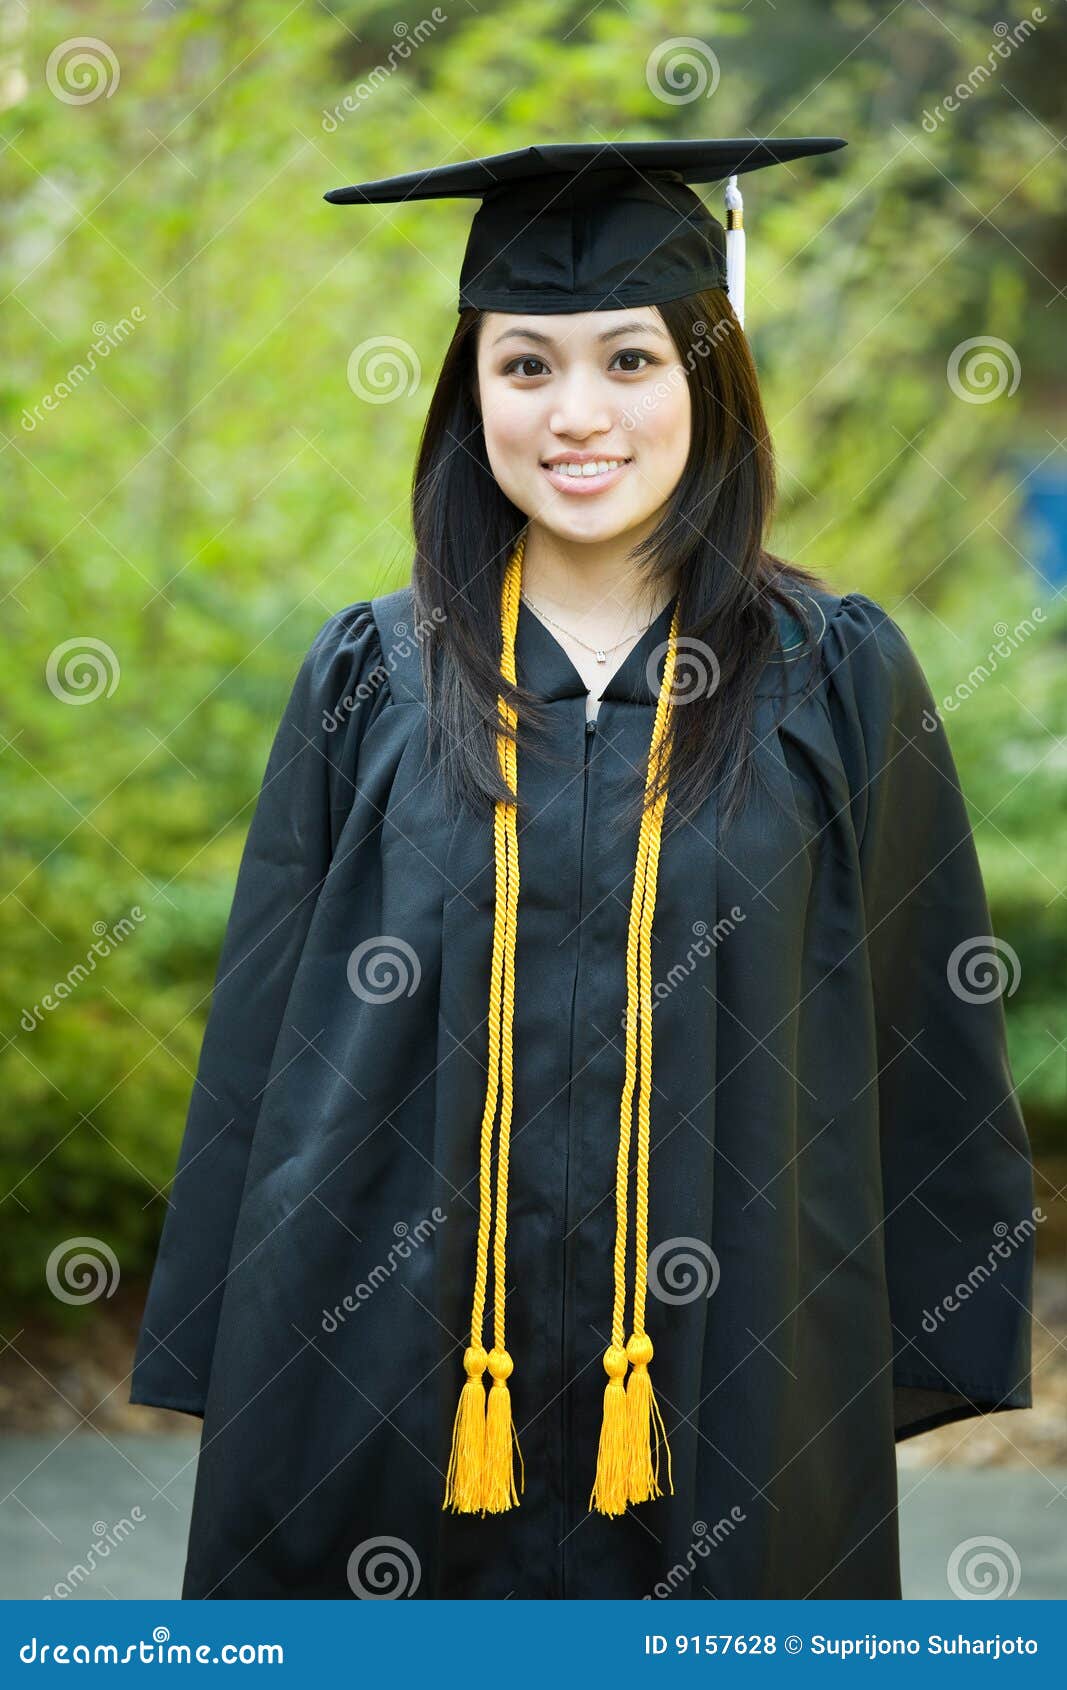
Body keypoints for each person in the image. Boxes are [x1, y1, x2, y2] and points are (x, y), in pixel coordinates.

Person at [129, 140, 1035, 1600]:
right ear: (468, 393)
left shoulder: (833, 675)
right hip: (382, 1389)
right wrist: (237, 1333)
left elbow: (920, 1031)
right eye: (526, 366)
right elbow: (260, 1049)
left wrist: (887, 1337)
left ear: (709, 378)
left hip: (728, 1390)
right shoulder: (373, 675)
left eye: (629, 358)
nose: (578, 414)